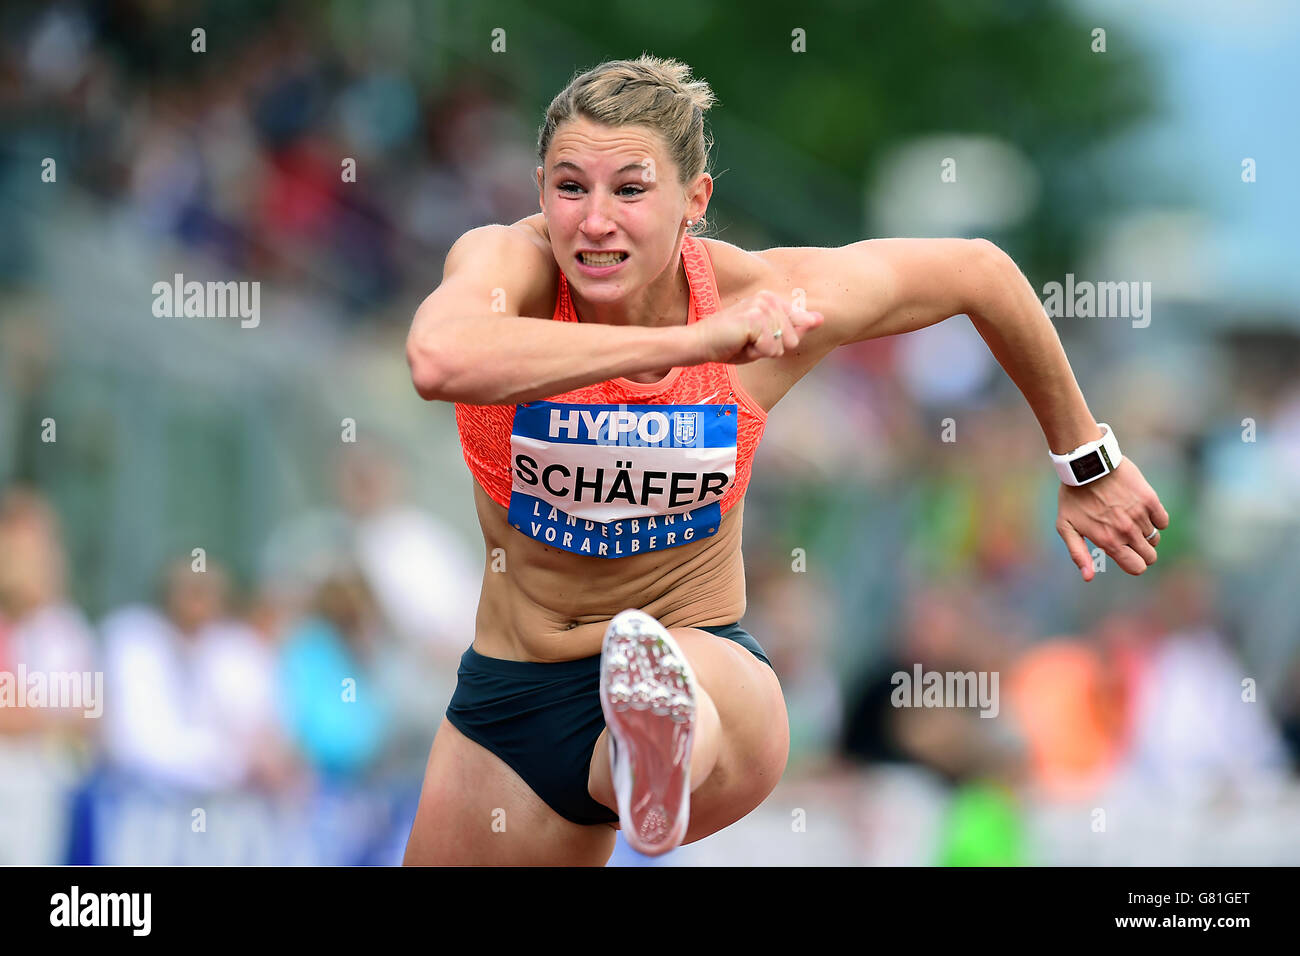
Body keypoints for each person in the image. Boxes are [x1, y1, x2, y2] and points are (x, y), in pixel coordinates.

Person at [401, 55, 1170, 865]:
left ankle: (655, 745)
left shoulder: (768, 301)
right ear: (539, 192)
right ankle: (624, 763)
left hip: (706, 673)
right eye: (569, 187)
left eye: (629, 189)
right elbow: (437, 358)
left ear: (694, 199)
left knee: (668, 675)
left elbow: (978, 272)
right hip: (511, 707)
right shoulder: (508, 270)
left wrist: (1088, 460)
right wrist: (690, 342)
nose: (595, 220)